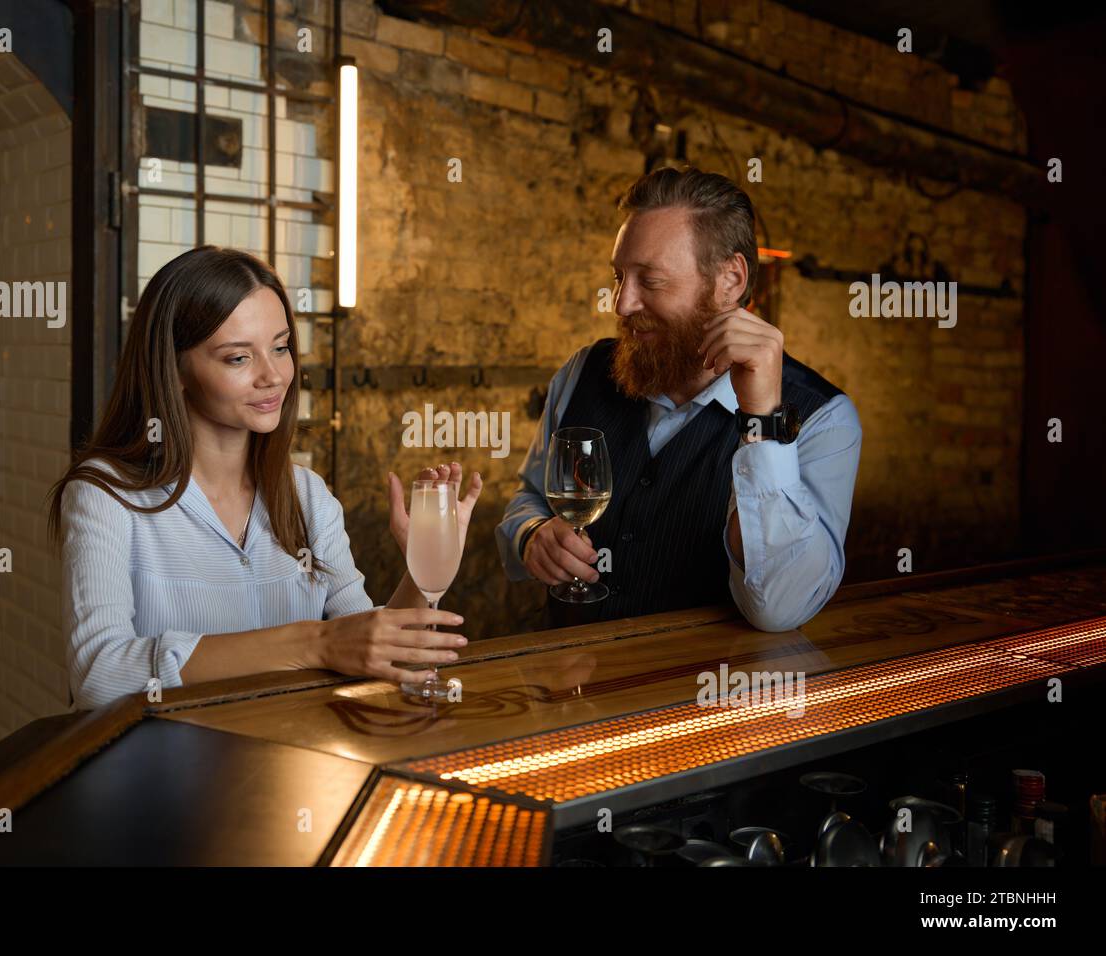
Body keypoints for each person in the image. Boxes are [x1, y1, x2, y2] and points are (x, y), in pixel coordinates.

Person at [47, 246, 481, 709]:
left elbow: (362, 643)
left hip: (293, 765)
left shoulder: (308, 494)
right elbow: (98, 674)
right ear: (174, 370)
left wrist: (422, 570)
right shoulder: (105, 494)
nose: (273, 376)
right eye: (238, 358)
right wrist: (313, 644)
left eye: (280, 347)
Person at [496, 167, 862, 631]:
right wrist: (532, 535)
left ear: (730, 279)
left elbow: (780, 609)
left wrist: (763, 420)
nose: (621, 304)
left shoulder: (823, 419)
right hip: (568, 684)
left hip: (707, 693)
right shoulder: (582, 371)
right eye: (618, 276)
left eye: (649, 281)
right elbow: (528, 497)